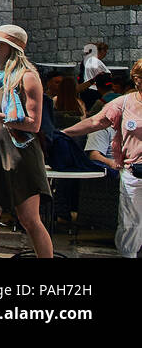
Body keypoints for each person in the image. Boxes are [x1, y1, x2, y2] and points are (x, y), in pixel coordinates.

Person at [0, 25, 53, 259]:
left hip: (19, 154)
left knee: (29, 220)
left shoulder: (28, 78)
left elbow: (34, 125)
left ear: (12, 48)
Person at [61, 58, 142, 257]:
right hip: (135, 173)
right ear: (136, 79)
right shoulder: (124, 103)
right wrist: (63, 133)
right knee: (131, 223)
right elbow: (95, 122)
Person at [79, 42, 111, 107]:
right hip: (95, 91)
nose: (105, 54)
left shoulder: (87, 60)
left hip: (87, 90)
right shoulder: (95, 61)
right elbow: (103, 76)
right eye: (105, 51)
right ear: (100, 51)